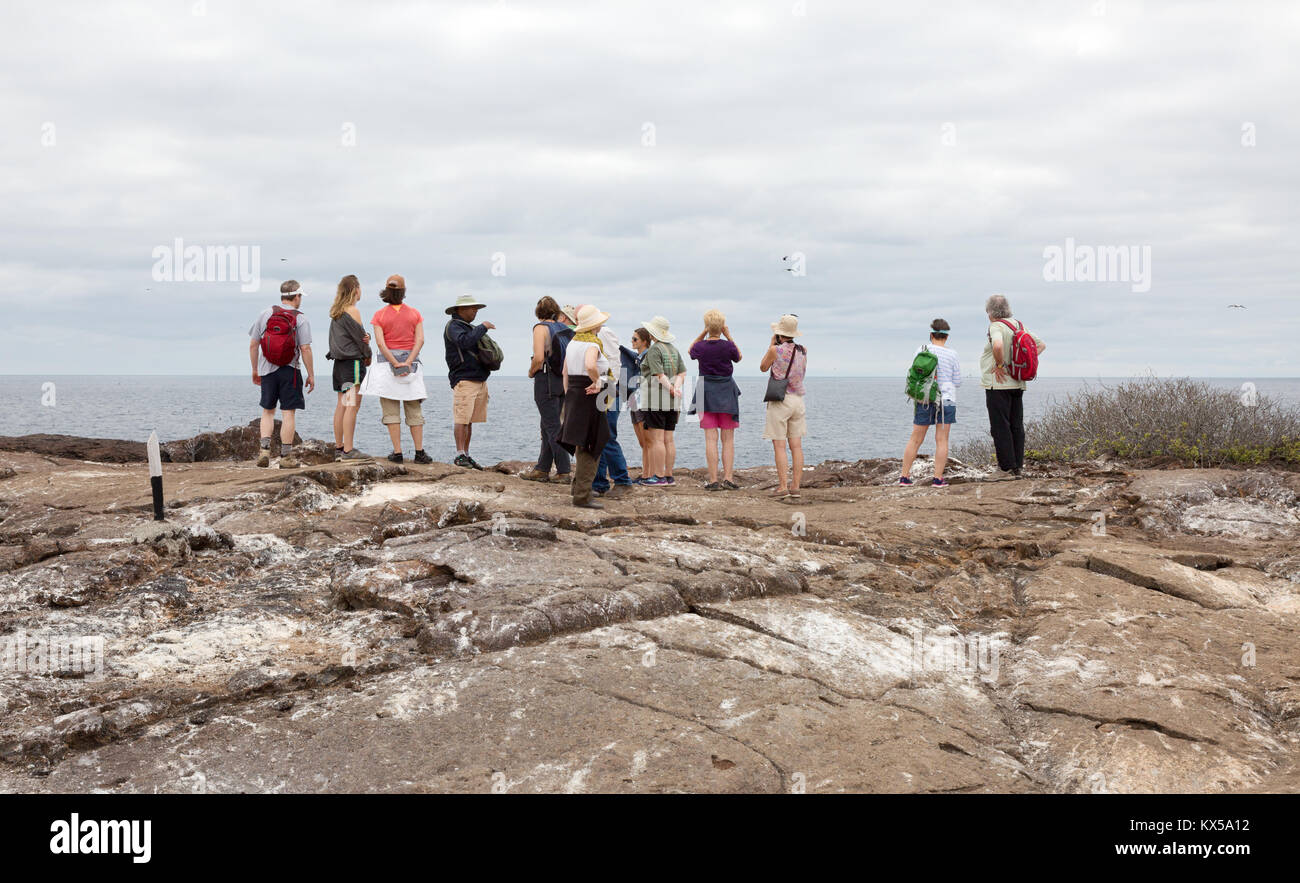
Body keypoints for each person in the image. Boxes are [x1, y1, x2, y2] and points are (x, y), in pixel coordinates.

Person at [359, 274, 430, 464]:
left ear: (386, 291)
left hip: (386, 367)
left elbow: (381, 344)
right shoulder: (415, 313)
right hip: (411, 365)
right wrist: (408, 361)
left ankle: (397, 453)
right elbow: (420, 340)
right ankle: (419, 452)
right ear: (404, 291)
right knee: (414, 409)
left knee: (391, 411)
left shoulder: (379, 315)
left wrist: (394, 363)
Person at [249, 280, 315, 468]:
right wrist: (311, 374)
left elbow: (254, 344)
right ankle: (286, 457)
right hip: (290, 370)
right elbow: (306, 348)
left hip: (267, 370)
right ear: (296, 297)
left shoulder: (265, 314)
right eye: (300, 296)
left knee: (268, 411)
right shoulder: (301, 319)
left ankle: (264, 452)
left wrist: (255, 370)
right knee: (288, 413)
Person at [981, 294, 1046, 480]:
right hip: (1018, 383)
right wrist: (1020, 365)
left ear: (990, 312)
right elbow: (1040, 345)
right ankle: (1017, 467)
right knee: (1016, 425)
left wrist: (1001, 365)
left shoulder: (996, 326)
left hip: (998, 385)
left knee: (1000, 426)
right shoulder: (1017, 325)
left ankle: (1005, 469)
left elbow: (998, 345)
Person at [558, 305, 614, 509]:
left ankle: (578, 489)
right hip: (590, 394)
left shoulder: (573, 342)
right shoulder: (593, 344)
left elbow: (564, 371)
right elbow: (591, 365)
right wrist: (598, 382)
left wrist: (569, 393)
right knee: (593, 443)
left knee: (583, 442)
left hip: (574, 392)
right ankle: (582, 495)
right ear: (594, 325)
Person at [900, 319, 960, 487]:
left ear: (931, 335)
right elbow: (957, 380)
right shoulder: (952, 354)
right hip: (946, 398)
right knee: (942, 440)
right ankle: (938, 479)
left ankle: (904, 477)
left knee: (915, 439)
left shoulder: (922, 349)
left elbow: (914, 372)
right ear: (946, 337)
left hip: (925, 398)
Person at [688, 310, 742, 490]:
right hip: (726, 391)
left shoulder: (701, 347)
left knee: (710, 439)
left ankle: (713, 480)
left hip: (706, 391)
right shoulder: (728, 346)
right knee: (728, 439)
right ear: (722, 326)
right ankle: (728, 478)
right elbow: (739, 357)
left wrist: (703, 332)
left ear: (707, 326)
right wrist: (728, 335)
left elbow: (690, 350)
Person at [523, 296, 572, 482]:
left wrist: (531, 372)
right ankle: (542, 469)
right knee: (547, 425)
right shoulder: (564, 328)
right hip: (563, 380)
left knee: (552, 427)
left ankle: (564, 471)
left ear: (538, 312)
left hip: (546, 379)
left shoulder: (540, 328)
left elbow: (538, 358)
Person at [444, 293, 494, 470]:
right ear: (460, 310)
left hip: (478, 379)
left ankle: (466, 453)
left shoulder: (467, 326)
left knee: (469, 419)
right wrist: (483, 327)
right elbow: (465, 342)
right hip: (464, 379)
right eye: (472, 308)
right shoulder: (454, 327)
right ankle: (459, 454)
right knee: (462, 418)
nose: (475, 311)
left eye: (476, 308)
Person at [759, 314, 807, 499]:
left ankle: (782, 487)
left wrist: (771, 345)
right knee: (796, 446)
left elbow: (763, 367)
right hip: (798, 399)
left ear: (779, 333)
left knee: (779, 446)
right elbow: (801, 373)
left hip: (781, 400)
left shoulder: (775, 350)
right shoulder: (803, 350)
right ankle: (795, 486)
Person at [326, 274, 371, 460]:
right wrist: (368, 353)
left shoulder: (336, 312)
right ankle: (348, 450)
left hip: (338, 365)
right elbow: (361, 340)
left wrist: (365, 337)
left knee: (342, 405)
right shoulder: (352, 310)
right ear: (355, 290)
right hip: (352, 364)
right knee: (351, 405)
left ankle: (339, 447)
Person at [637, 316, 687, 486]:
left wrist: (670, 388)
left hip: (656, 400)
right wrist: (676, 388)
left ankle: (658, 476)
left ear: (653, 333)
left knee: (657, 439)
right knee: (669, 439)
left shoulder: (654, 350)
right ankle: (668, 475)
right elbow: (682, 373)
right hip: (673, 402)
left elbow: (659, 375)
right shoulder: (673, 349)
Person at [590, 313, 635, 498]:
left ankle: (622, 480)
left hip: (609, 390)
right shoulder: (591, 336)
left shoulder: (605, 333)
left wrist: (605, 384)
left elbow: (614, 364)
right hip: (603, 389)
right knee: (599, 437)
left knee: (607, 436)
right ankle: (599, 483)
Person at [626, 328, 652, 480]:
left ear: (644, 341)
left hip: (644, 401)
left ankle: (648, 474)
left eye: (635, 339)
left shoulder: (648, 357)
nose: (632, 341)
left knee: (647, 441)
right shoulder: (637, 358)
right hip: (634, 400)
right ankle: (645, 472)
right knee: (642, 442)